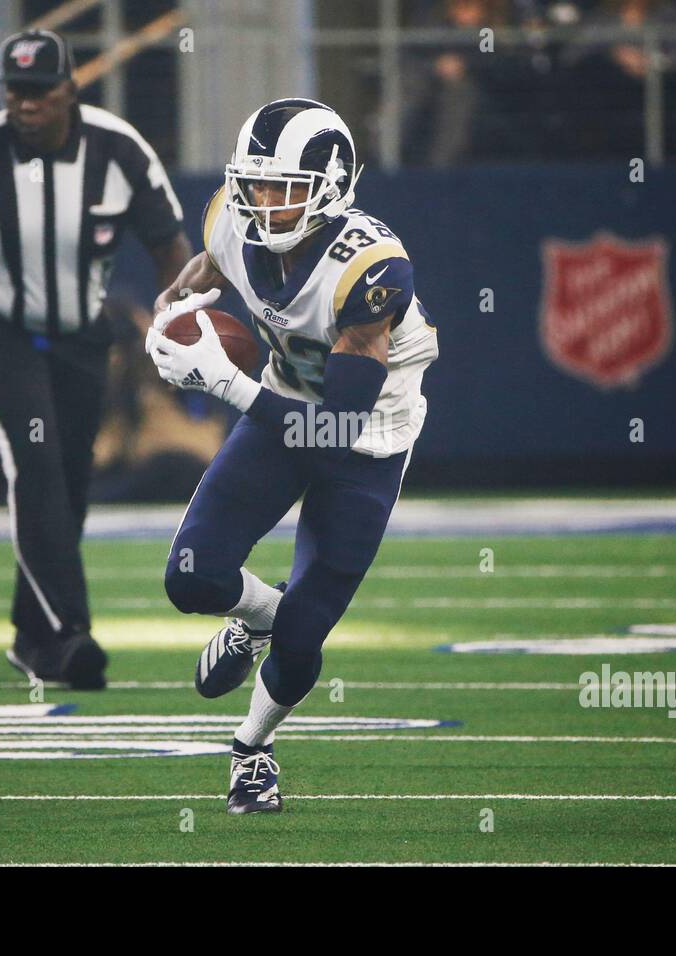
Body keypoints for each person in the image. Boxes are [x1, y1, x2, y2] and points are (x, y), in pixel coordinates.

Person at [146, 98, 439, 813]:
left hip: (364, 440)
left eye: (284, 189)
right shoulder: (231, 214)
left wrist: (226, 384)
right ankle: (260, 613)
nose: (264, 204)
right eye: (255, 185)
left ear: (333, 187)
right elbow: (214, 260)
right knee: (190, 578)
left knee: (307, 635)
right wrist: (181, 305)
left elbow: (336, 428)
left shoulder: (369, 270)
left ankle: (251, 749)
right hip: (280, 406)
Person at [0, 29, 190, 689]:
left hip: (82, 332)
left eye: (39, 91)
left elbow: (170, 247)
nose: (25, 105)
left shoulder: (119, 150)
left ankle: (32, 635)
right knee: (37, 461)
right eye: (15, 91)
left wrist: (176, 325)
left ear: (69, 88)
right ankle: (70, 633)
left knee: (72, 478)